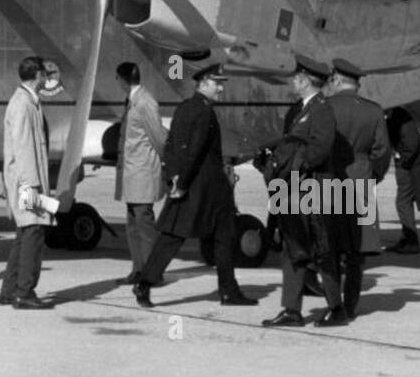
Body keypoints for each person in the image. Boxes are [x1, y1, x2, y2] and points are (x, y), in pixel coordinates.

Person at [133, 63, 256, 308]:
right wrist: (183, 182)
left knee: (182, 236)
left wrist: (173, 177)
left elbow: (172, 145)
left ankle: (227, 290)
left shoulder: (185, 108)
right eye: (217, 84)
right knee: (203, 238)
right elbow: (196, 150)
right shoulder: (204, 112)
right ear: (205, 83)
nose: (221, 89)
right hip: (205, 187)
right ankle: (146, 283)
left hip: (193, 184)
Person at [260, 55, 341, 328]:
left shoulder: (322, 110)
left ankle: (336, 307)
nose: (292, 81)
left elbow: (320, 148)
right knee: (291, 247)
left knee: (321, 249)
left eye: (296, 77)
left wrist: (295, 164)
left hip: (313, 187)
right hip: (293, 187)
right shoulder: (300, 109)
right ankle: (292, 310)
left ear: (306, 81)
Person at [322, 59, 391, 321]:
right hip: (361, 181)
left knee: (330, 245)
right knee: (356, 251)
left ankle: (334, 305)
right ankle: (350, 306)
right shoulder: (373, 111)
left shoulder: (325, 107)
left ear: (337, 80)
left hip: (329, 180)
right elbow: (382, 150)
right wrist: (374, 174)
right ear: (357, 83)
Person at [0, 56, 55, 310]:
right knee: (33, 232)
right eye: (46, 74)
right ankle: (25, 292)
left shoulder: (26, 100)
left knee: (25, 233)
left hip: (25, 179)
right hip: (27, 180)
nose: (48, 78)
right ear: (38, 75)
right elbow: (22, 146)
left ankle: (10, 290)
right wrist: (31, 183)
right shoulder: (23, 104)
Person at [114, 61, 168, 285]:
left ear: (123, 79)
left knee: (144, 225)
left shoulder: (145, 102)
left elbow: (158, 138)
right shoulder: (133, 101)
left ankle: (153, 273)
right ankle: (138, 270)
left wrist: (169, 166)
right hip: (132, 173)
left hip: (143, 172)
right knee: (133, 224)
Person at [385, 107, 420, 253]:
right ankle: (406, 237)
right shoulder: (396, 116)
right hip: (407, 163)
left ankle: (411, 240)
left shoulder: (400, 116)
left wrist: (403, 161)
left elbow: (411, 142)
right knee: (404, 202)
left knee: (403, 202)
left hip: (409, 165)